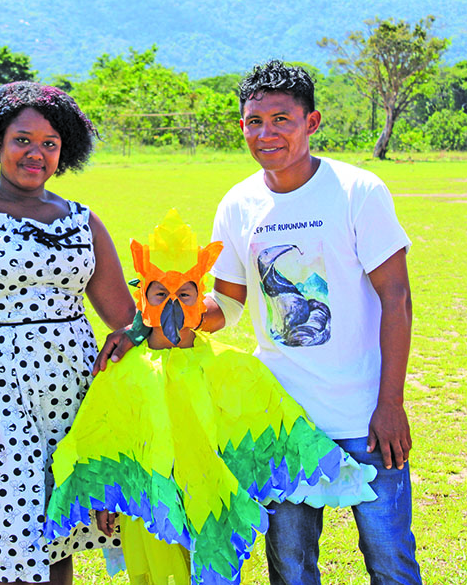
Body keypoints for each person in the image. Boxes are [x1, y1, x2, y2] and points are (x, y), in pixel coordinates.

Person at [95, 61, 422, 584]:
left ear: (311, 122)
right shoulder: (240, 203)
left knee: (390, 558)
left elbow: (396, 299)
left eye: (280, 120)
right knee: (290, 567)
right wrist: (153, 318)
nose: (266, 134)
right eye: (254, 122)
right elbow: (225, 307)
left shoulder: (358, 191)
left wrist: (390, 404)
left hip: (364, 416)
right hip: (278, 419)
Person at [46, 210, 377, 585]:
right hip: (151, 502)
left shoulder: (231, 367)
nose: (172, 303)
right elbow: (104, 430)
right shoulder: (123, 371)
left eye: (184, 293)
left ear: (200, 298)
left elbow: (268, 423)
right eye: (160, 293)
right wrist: (107, 495)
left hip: (208, 499)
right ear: (143, 299)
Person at [0, 81, 136, 585]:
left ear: (65, 151)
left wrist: (145, 325)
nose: (35, 153)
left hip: (75, 391)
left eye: (49, 143)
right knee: (12, 542)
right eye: (22, 139)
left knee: (60, 534)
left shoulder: (83, 220)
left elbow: (121, 315)